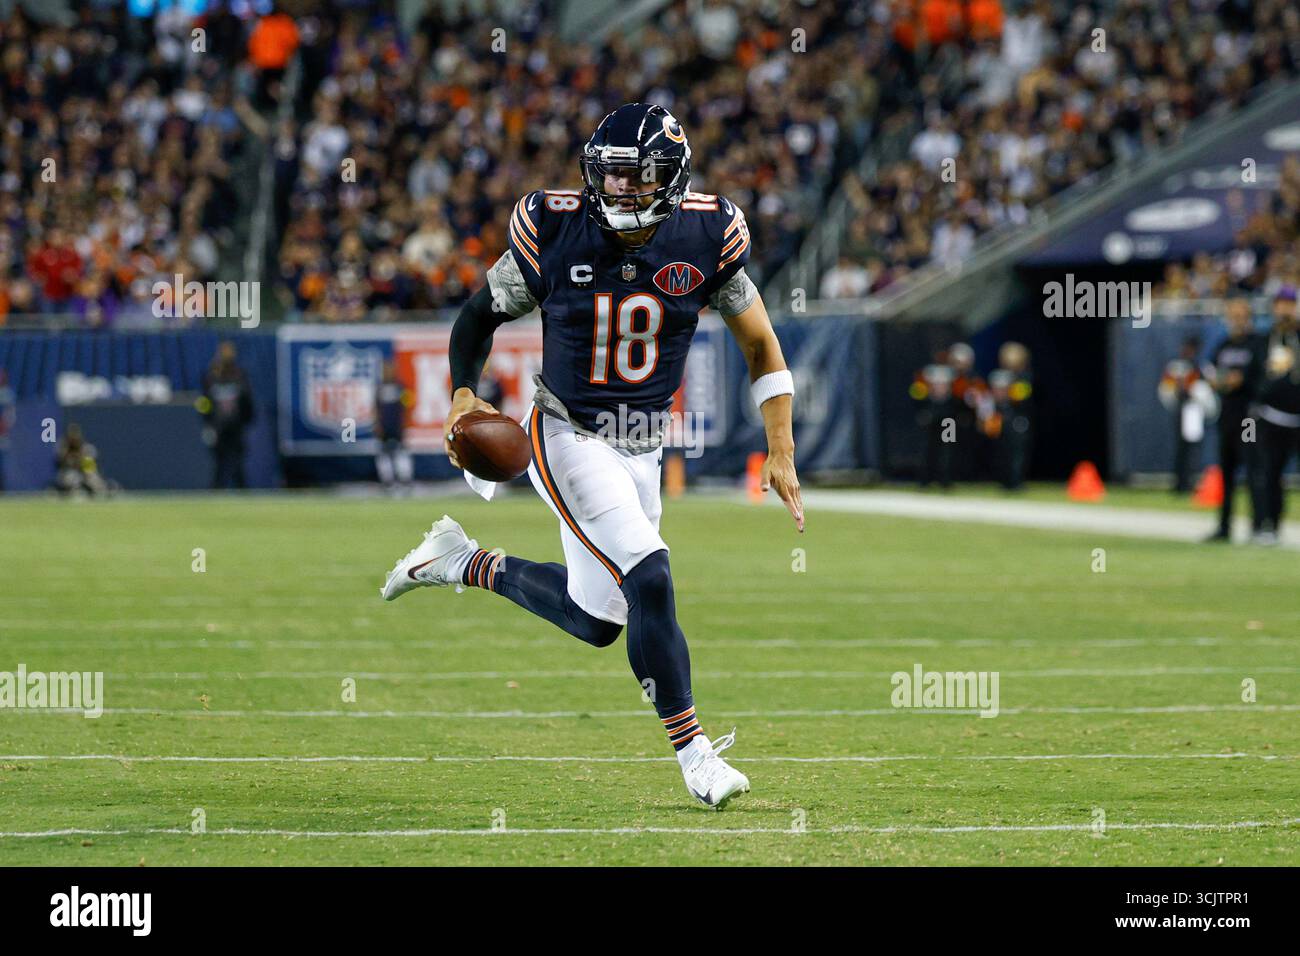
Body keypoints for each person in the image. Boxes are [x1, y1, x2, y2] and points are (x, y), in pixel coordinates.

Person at [379, 104, 803, 810]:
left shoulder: (709, 233)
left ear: (671, 179)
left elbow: (761, 345)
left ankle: (459, 560)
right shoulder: (555, 225)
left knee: (598, 621)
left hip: (643, 445)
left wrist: (781, 450)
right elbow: (477, 316)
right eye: (610, 177)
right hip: (566, 432)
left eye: (638, 179)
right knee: (652, 575)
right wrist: (460, 393)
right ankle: (695, 755)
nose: (622, 192)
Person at [1205, 298, 1264, 541]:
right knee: (1226, 473)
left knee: (1252, 470)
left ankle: (1259, 525)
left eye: (1241, 315)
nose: (1237, 319)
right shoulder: (1224, 344)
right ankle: (1224, 526)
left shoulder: (1257, 343)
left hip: (1248, 417)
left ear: (1248, 316)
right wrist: (1217, 381)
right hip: (1227, 415)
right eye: (1233, 315)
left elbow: (1261, 376)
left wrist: (1242, 381)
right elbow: (1211, 370)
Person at [1249, 287, 1300, 545]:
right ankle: (1269, 524)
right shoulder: (1263, 339)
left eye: (1289, 304)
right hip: (1270, 417)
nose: (1285, 309)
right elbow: (1253, 378)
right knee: (1269, 473)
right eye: (1280, 304)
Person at [1157, 336, 1216, 494]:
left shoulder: (1202, 367)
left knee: (1193, 447)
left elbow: (1211, 387)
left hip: (1195, 410)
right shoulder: (1175, 366)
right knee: (1181, 447)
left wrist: (1201, 399)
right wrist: (1176, 397)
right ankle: (1180, 482)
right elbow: (1166, 389)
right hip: (1181, 408)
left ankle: (1190, 481)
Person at [200, 341, 254, 490]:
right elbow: (204, 402)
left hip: (236, 426)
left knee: (237, 463)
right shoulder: (211, 377)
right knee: (219, 463)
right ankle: (216, 491)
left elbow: (247, 401)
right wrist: (207, 423)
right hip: (219, 426)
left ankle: (242, 492)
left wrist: (247, 420)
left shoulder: (240, 376)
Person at [373, 360, 413, 492]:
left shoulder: (400, 387)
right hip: (385, 427)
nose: (388, 373)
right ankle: (387, 481)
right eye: (385, 370)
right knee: (384, 454)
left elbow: (406, 407)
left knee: (401, 453)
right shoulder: (379, 388)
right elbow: (375, 408)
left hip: (397, 426)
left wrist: (405, 424)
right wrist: (377, 425)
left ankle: (404, 480)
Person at [54, 423, 109, 497]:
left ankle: (101, 492)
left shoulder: (86, 448)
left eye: (75, 436)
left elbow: (89, 468)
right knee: (71, 477)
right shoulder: (63, 448)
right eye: (71, 436)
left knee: (93, 478)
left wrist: (81, 460)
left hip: (84, 474)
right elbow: (60, 465)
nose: (73, 439)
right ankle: (76, 491)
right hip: (69, 474)